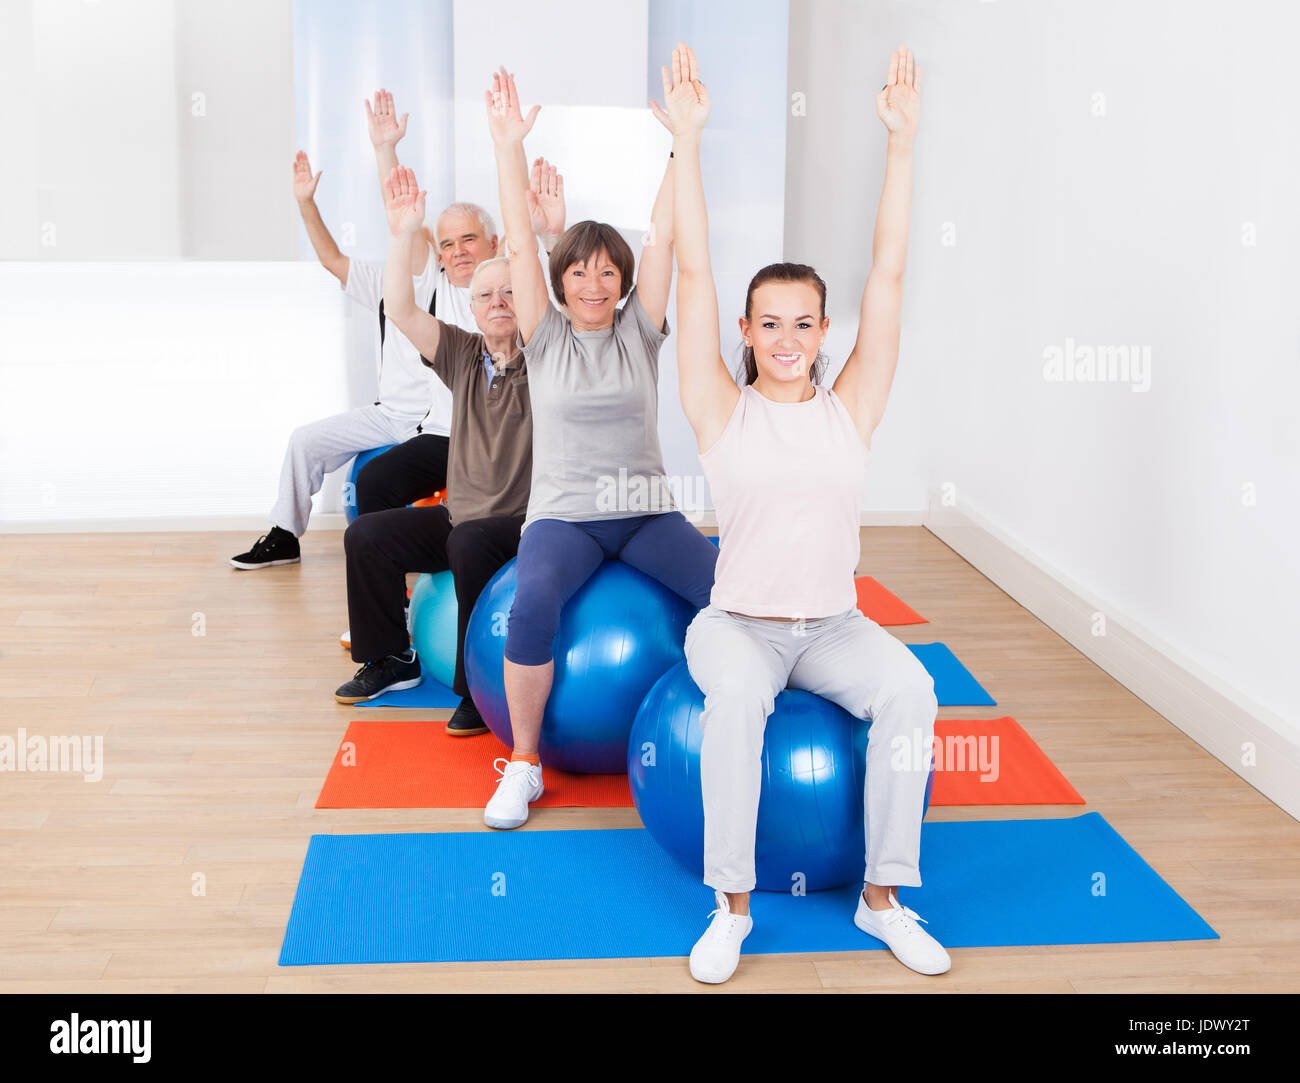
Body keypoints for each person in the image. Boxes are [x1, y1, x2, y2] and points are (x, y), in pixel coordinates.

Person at [663, 43, 949, 982]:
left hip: (834, 626)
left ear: (825, 332)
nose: (787, 339)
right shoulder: (720, 408)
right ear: (745, 333)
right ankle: (731, 908)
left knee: (912, 690)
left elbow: (891, 277)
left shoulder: (851, 409)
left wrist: (902, 148)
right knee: (739, 700)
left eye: (804, 322)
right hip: (737, 627)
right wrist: (689, 142)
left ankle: (883, 899)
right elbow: (695, 276)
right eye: (769, 322)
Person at [481, 66, 718, 829]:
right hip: (565, 516)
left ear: (620, 282)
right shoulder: (544, 336)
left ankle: (750, 720)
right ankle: (523, 764)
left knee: (731, 590)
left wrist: (684, 144)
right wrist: (508, 148)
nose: (593, 281)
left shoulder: (639, 333)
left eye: (606, 270)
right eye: (579, 270)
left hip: (645, 512)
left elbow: (666, 236)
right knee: (531, 607)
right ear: (560, 279)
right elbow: (518, 236)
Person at [230, 89, 497, 570]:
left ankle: (408, 561)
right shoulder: (412, 278)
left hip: (445, 426)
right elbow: (351, 250)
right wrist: (306, 203)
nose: (457, 251)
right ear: (436, 252)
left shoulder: (497, 293)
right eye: (448, 244)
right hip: (395, 414)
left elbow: (406, 222)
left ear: (490, 244)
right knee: (304, 441)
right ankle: (286, 534)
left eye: (469, 241)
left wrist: (385, 150)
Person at [335, 166, 535, 737]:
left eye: (510, 293)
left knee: (469, 540)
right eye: (485, 296)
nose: (497, 302)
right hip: (462, 515)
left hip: (522, 523)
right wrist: (403, 235)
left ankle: (476, 690)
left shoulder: (546, 355)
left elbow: (539, 278)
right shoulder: (461, 354)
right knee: (365, 536)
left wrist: (542, 232)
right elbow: (399, 308)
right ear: (469, 308)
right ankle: (391, 658)